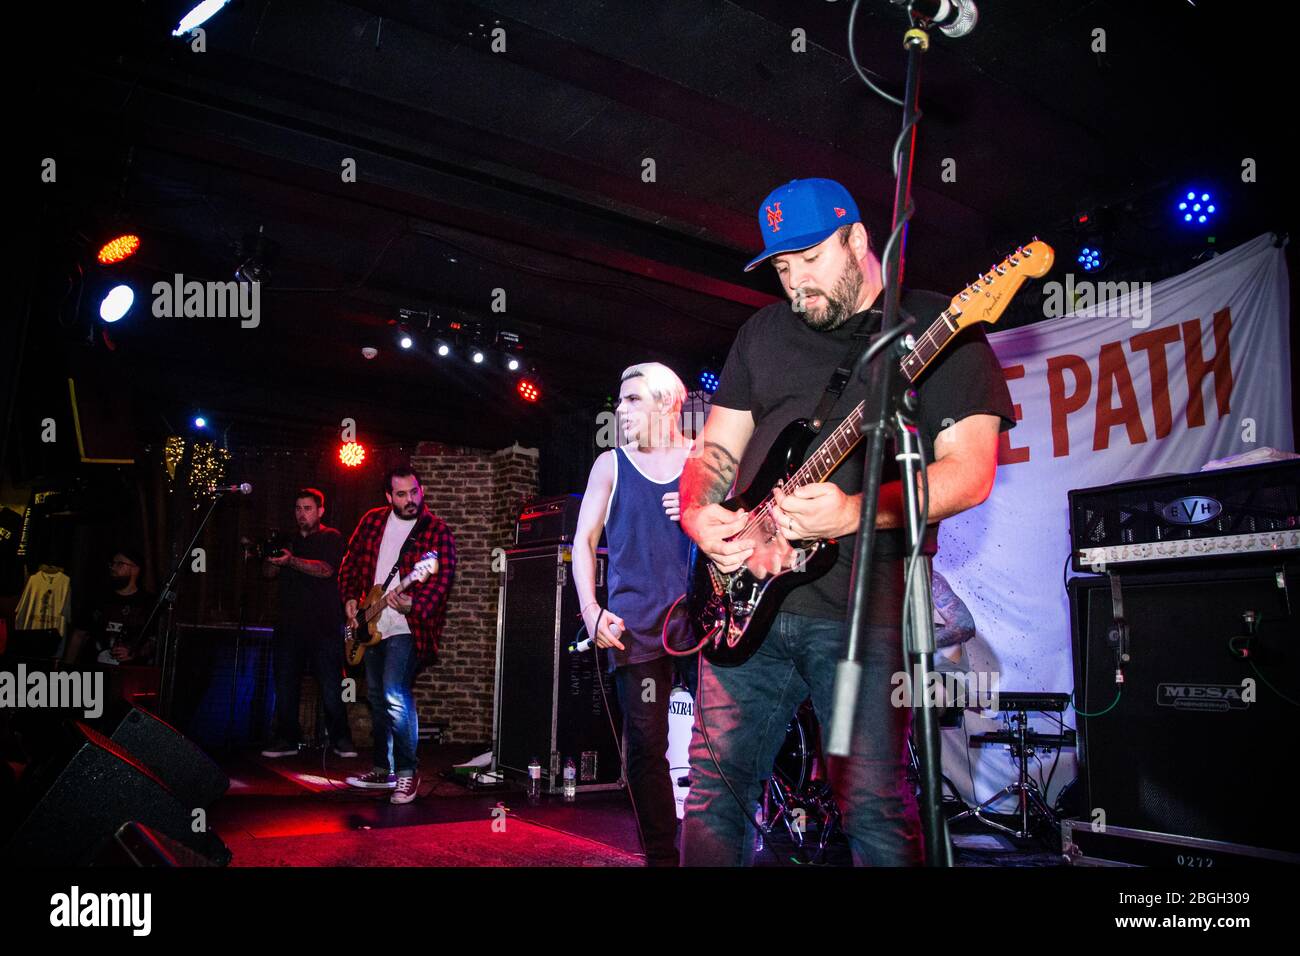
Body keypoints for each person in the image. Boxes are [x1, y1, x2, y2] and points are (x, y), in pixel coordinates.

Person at [678, 177, 1015, 866]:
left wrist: (855, 513)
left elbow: (970, 472)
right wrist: (696, 513)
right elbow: (714, 451)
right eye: (780, 266)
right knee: (715, 792)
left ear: (859, 240)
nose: (794, 280)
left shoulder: (937, 329)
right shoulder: (761, 334)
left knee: (874, 809)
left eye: (808, 258)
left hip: (864, 616)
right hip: (745, 603)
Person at [572, 362, 696, 866]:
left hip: (705, 622)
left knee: (721, 746)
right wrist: (591, 610)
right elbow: (584, 541)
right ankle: (662, 858)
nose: (619, 409)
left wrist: (698, 512)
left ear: (665, 402)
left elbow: (745, 531)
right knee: (647, 750)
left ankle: (715, 850)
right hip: (635, 628)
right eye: (619, 400)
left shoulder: (702, 459)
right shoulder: (610, 465)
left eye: (632, 399)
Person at [338, 466, 456, 804]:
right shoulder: (372, 522)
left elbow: (441, 583)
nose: (410, 500)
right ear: (389, 496)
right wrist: (349, 597)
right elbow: (351, 562)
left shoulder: (436, 532)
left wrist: (412, 605)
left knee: (393, 692)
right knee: (376, 697)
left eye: (414, 492)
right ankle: (381, 769)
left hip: (407, 627)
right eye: (401, 494)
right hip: (369, 622)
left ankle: (407, 773)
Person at [260, 488, 357, 759]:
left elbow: (326, 570)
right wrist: (273, 559)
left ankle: (340, 739)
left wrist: (291, 561)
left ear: (320, 511)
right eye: (298, 508)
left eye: (307, 508)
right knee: (285, 684)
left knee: (330, 685)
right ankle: (286, 739)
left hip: (324, 626)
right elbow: (267, 574)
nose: (302, 513)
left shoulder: (331, 537)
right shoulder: (287, 539)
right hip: (289, 626)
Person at [62, 547, 156, 667]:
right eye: (112, 563)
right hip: (93, 672)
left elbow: (154, 641)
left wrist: (135, 652)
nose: (113, 568)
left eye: (120, 564)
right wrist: (65, 668)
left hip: (130, 676)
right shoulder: (97, 597)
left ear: (135, 569)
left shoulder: (148, 602)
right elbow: (78, 635)